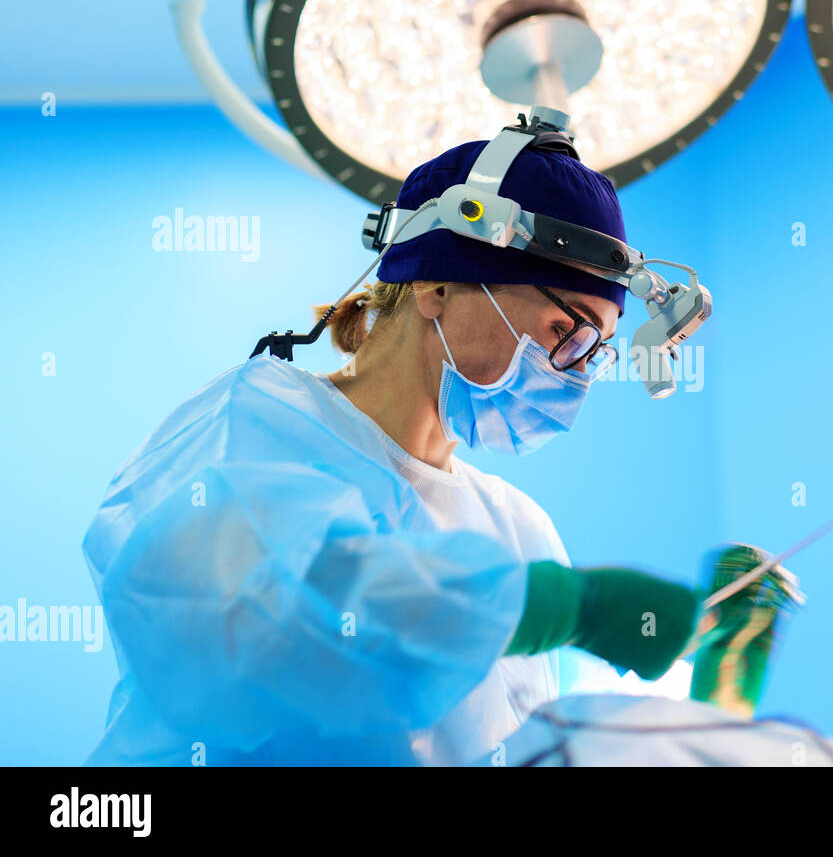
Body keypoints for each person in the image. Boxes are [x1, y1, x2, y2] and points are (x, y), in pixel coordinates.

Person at [80, 137, 701, 766]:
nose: (574, 374)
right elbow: (260, 627)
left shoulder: (520, 532)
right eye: (565, 331)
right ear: (437, 283)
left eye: (596, 352)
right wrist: (566, 607)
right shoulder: (259, 420)